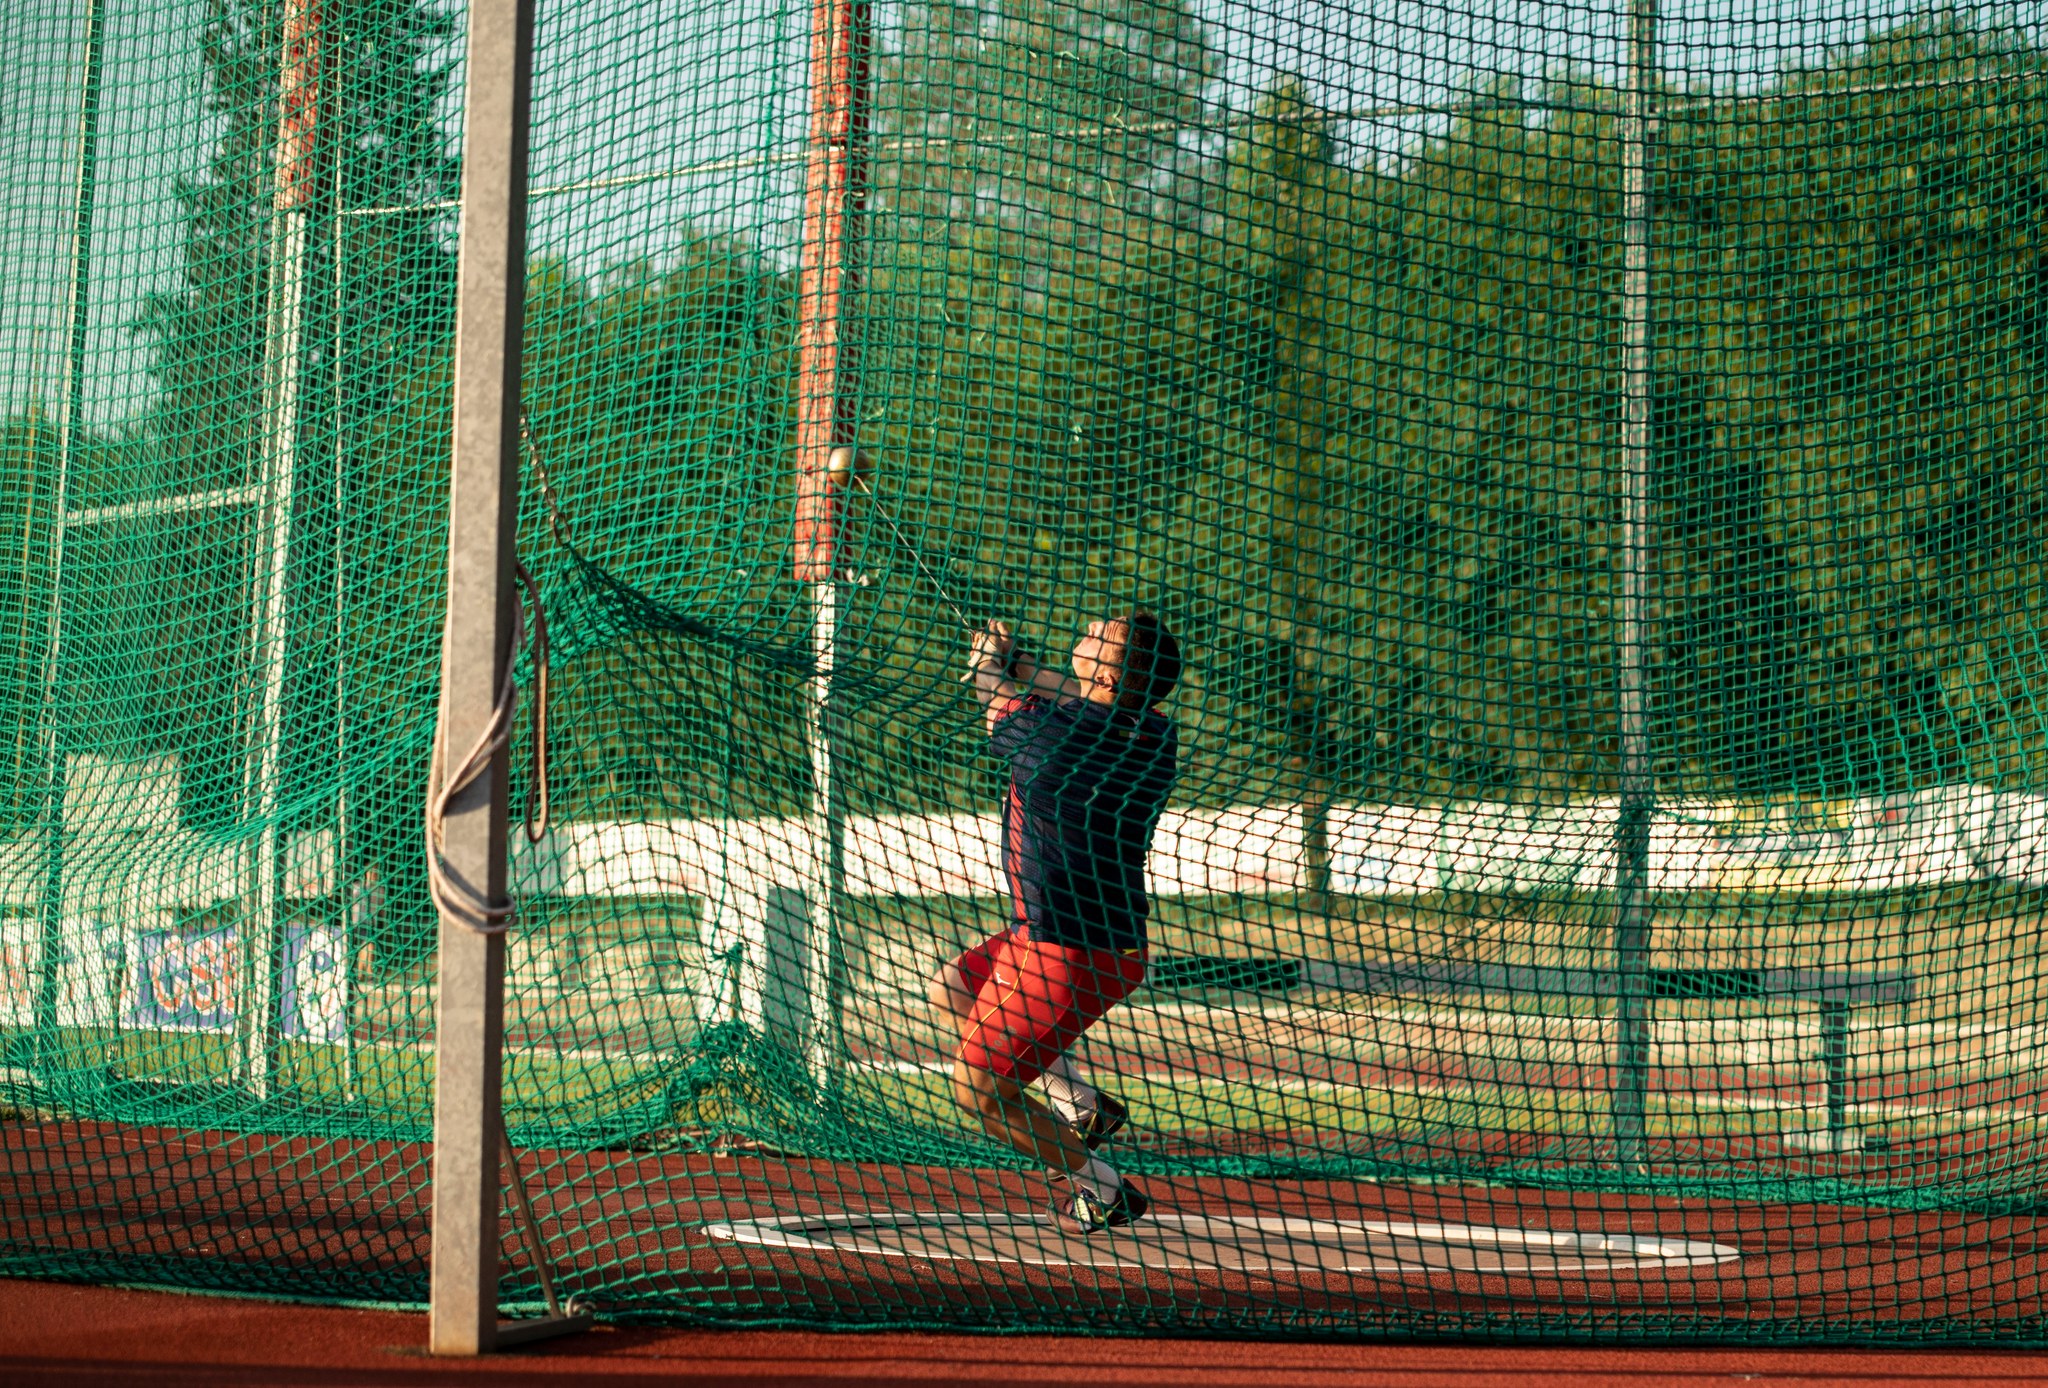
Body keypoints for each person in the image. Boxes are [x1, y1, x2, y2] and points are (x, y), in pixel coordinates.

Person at [930, 612, 1182, 1234]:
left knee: (980, 1095)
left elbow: (1000, 700)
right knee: (953, 986)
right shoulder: (1151, 732)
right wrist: (1012, 668)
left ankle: (1101, 1189)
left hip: (1064, 958)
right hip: (1088, 947)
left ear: (1106, 670)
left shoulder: (1055, 736)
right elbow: (1077, 698)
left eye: (1107, 632)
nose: (1094, 623)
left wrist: (989, 665)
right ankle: (1079, 1104)